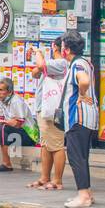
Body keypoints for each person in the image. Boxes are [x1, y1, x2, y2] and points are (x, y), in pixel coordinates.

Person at [60, 31, 98, 208]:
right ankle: (87, 193)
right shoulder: (85, 62)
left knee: (76, 157)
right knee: (82, 156)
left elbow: (83, 81)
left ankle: (83, 195)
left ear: (66, 49)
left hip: (78, 118)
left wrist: (81, 94)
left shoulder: (77, 65)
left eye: (62, 47)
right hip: (88, 118)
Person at [28, 37, 68, 191]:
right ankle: (45, 177)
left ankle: (57, 180)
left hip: (52, 109)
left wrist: (38, 52)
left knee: (57, 145)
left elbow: (40, 65)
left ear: (55, 47)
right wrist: (41, 65)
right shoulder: (52, 63)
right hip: (43, 107)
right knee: (45, 144)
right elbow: (35, 73)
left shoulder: (62, 63)